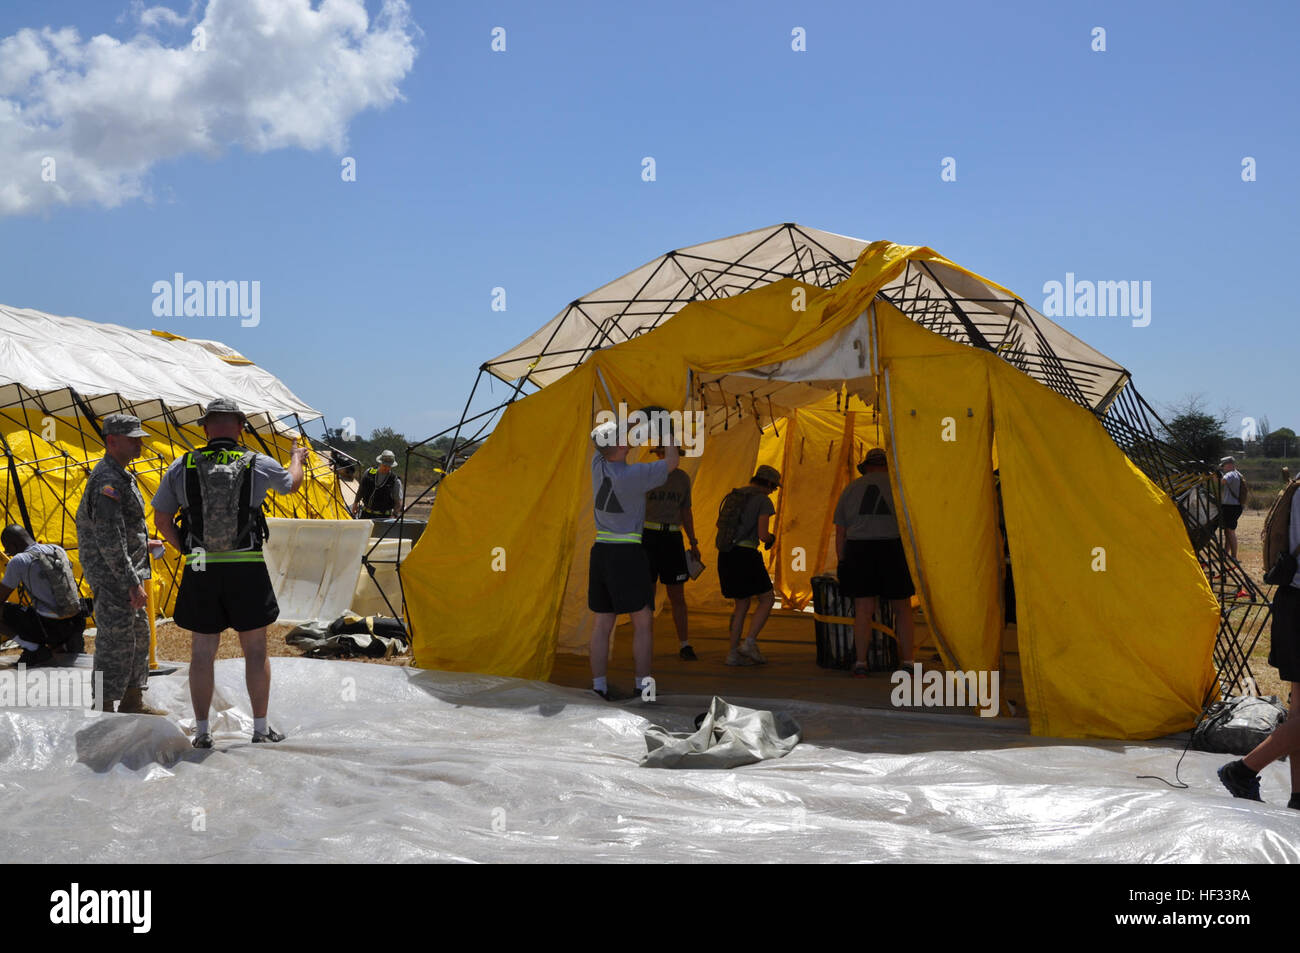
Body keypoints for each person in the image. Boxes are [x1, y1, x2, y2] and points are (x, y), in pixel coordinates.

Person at [152, 398, 305, 748]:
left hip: (202, 565)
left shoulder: (183, 465)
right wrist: (296, 459)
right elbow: (290, 484)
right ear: (240, 427)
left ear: (205, 428)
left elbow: (161, 519)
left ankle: (203, 733)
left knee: (202, 652)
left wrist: (190, 551)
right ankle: (261, 729)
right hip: (246, 566)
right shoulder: (257, 462)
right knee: (254, 649)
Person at [75, 413, 165, 714]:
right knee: (114, 642)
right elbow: (108, 536)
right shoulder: (108, 480)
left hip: (127, 572)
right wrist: (131, 581)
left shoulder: (122, 475)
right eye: (132, 439)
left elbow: (123, 529)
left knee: (138, 637)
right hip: (116, 578)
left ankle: (132, 699)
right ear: (112, 441)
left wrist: (144, 545)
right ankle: (103, 705)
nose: (139, 444)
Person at [1219, 478, 1300, 809]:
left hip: (1292, 600)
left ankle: (1298, 796)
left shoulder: (1297, 488)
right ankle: (1243, 769)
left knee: (1299, 714)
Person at [588, 421, 678, 700]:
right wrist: (666, 431)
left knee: (602, 624)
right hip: (627, 552)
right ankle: (643, 688)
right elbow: (672, 461)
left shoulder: (597, 464)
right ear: (623, 446)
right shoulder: (635, 475)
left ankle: (599, 686)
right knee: (642, 622)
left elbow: (604, 440)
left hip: (601, 551)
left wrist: (628, 422)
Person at [833, 448, 916, 678]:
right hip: (893, 547)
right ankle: (908, 662)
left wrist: (842, 561)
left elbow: (841, 532)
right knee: (902, 608)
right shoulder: (900, 487)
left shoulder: (850, 489)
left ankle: (861, 663)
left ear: (866, 467)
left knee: (863, 609)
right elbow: (912, 525)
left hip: (860, 550)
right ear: (888, 466)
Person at [642, 446, 701, 661]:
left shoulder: (682, 478)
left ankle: (685, 644)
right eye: (666, 453)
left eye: (674, 454)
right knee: (646, 596)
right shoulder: (645, 474)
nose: (670, 458)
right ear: (658, 455)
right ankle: (644, 642)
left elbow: (686, 511)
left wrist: (693, 542)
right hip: (647, 536)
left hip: (672, 538)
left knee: (677, 595)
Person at [717, 465, 780, 666]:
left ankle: (732, 654)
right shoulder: (763, 500)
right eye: (774, 487)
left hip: (726, 554)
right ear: (768, 484)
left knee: (741, 605)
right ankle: (750, 642)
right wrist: (772, 538)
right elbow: (762, 535)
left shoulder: (735, 496)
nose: (773, 491)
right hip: (746, 554)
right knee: (767, 599)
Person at [0, 526, 86, 665]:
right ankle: (63, 645)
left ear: (13, 545)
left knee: (4, 610)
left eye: (9, 551)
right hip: (76, 620)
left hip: (50, 626)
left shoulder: (19, 561)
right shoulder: (57, 549)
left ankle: (34, 649)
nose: (10, 554)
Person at [352, 450, 403, 519]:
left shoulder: (395, 480)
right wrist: (355, 503)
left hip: (383, 518)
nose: (386, 467)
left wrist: (394, 515)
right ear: (380, 463)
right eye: (384, 465)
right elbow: (361, 490)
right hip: (365, 515)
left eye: (389, 466)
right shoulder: (368, 472)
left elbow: (398, 502)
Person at [1219, 456, 1245, 559]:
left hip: (1231, 506)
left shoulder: (1230, 474)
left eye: (1224, 466)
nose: (1223, 468)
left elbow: (1223, 481)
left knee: (1230, 531)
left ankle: (1233, 556)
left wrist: (1217, 477)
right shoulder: (1238, 474)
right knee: (1228, 531)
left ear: (1229, 465)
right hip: (1235, 506)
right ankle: (1226, 554)